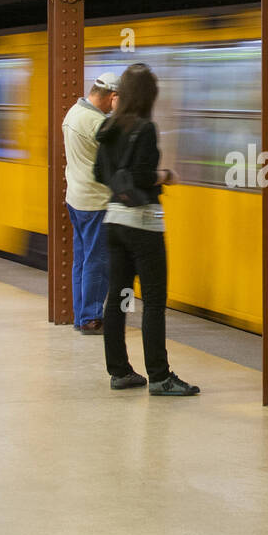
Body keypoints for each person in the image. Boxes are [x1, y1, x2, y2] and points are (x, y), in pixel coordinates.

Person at [93, 63, 199, 395]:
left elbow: (99, 173)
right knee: (153, 300)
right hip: (144, 224)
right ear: (148, 96)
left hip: (114, 220)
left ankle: (120, 371)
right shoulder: (146, 128)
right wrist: (165, 176)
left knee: (119, 298)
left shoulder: (109, 127)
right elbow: (141, 175)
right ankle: (160, 376)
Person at [62, 72, 120, 333]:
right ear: (112, 97)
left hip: (76, 198)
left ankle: (81, 315)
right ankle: (91, 318)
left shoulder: (73, 112)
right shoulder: (97, 122)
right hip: (95, 201)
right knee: (98, 261)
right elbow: (119, 156)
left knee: (83, 260)